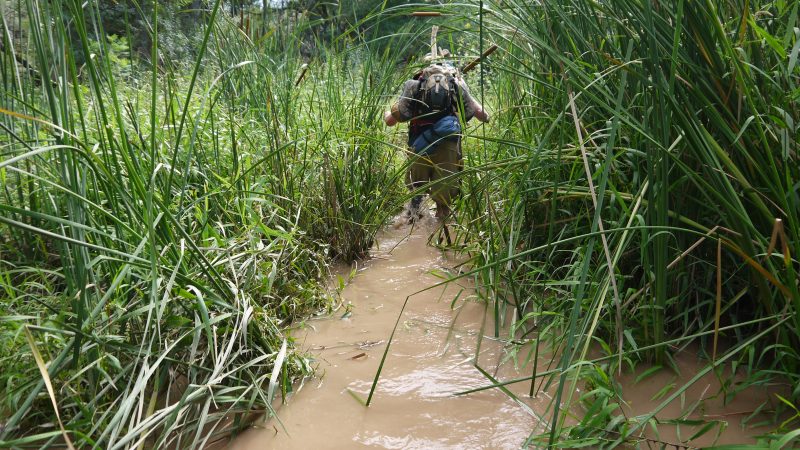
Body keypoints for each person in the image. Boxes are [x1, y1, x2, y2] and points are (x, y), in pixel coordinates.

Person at [384, 50, 489, 224]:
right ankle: (442, 239)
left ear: (423, 69)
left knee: (416, 194)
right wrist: (464, 88)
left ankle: (411, 233)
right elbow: (483, 116)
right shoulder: (455, 85)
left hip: (420, 146)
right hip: (448, 148)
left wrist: (387, 112)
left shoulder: (414, 85)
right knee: (444, 203)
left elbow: (391, 121)